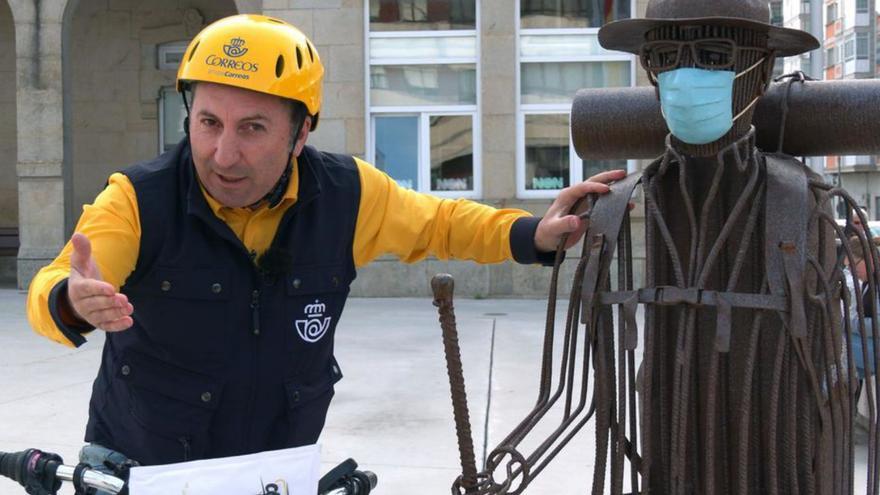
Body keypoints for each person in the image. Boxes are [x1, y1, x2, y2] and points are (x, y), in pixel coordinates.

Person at [25, 14, 622, 471]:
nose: (222, 154)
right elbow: (55, 283)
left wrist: (533, 233)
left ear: (301, 130)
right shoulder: (137, 199)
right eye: (208, 122)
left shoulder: (348, 194)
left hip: (277, 468)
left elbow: (442, 221)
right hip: (145, 468)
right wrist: (72, 302)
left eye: (252, 128)